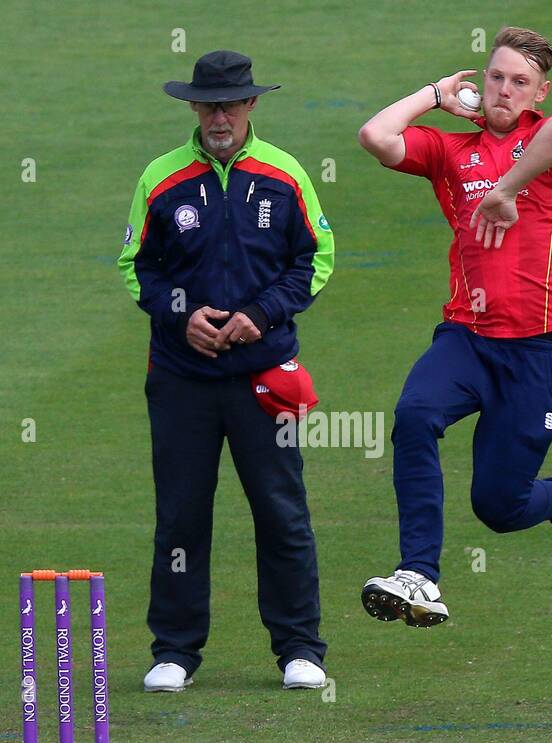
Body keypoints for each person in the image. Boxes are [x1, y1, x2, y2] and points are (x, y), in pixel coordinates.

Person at [355, 27, 552, 627]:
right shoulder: (449, 151)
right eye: (496, 77)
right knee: (414, 416)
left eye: (520, 82)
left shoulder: (550, 144)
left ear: (539, 91)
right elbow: (375, 136)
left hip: (540, 351)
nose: (504, 91)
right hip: (468, 336)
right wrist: (434, 93)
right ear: (479, 81)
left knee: (498, 505)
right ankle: (419, 574)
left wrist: (504, 191)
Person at [118, 50, 335, 690]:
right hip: (182, 378)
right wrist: (181, 316)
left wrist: (261, 316)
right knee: (182, 513)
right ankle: (175, 652)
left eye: (231, 104)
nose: (220, 116)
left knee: (280, 509)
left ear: (251, 107)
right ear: (192, 107)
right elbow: (138, 268)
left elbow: (315, 260)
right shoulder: (161, 178)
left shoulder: (285, 174)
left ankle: (300, 649)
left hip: (264, 376)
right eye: (209, 104)